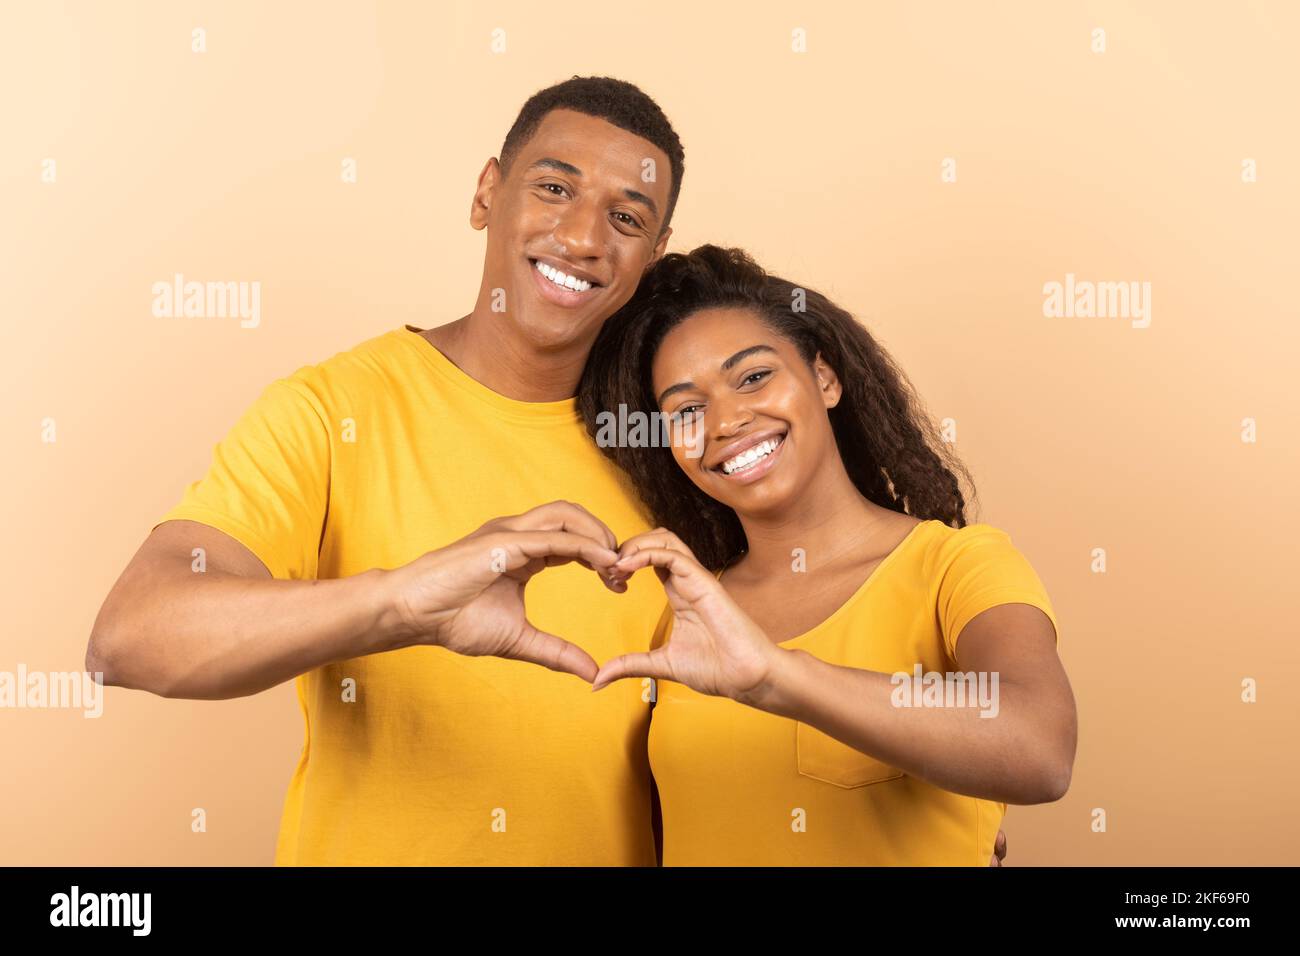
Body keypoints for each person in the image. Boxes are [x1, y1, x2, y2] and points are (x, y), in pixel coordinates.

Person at [85, 76, 685, 865]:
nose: (582, 237)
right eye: (553, 188)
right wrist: (406, 603)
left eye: (625, 217)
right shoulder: (333, 408)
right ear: (486, 194)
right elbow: (131, 638)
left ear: (653, 255)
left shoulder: (674, 443)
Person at [577, 244, 1077, 865]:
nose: (726, 421)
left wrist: (778, 675)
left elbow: (1040, 752)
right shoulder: (683, 612)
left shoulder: (956, 567)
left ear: (825, 378)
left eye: (754, 376)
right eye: (687, 410)